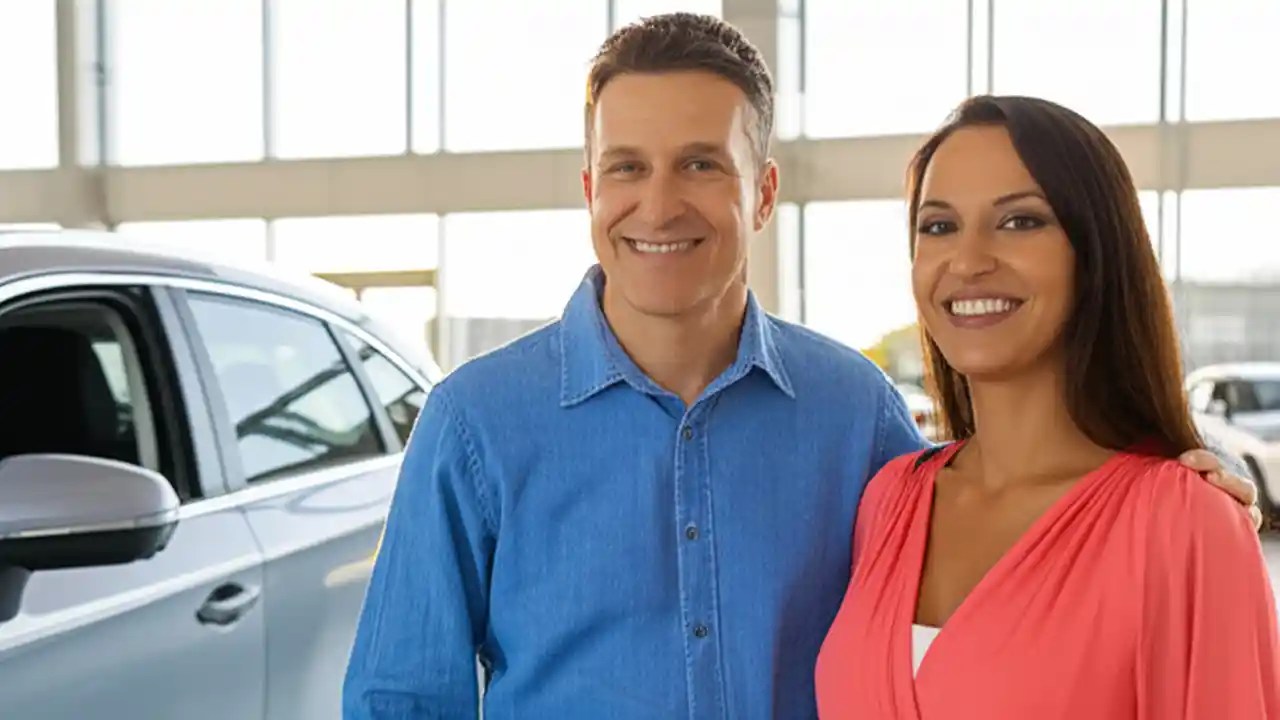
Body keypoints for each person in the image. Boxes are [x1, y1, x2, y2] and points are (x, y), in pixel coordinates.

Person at [342, 15, 1256, 719]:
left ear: (764, 191)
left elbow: (1003, 548)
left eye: (701, 163)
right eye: (626, 167)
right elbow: (400, 700)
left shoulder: (854, 413)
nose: (658, 205)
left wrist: (1177, 501)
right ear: (590, 189)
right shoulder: (474, 423)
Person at [814, 95, 1280, 718]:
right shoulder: (889, 500)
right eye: (939, 226)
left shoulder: (1185, 524)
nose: (969, 260)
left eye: (1020, 221)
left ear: (1096, 253)